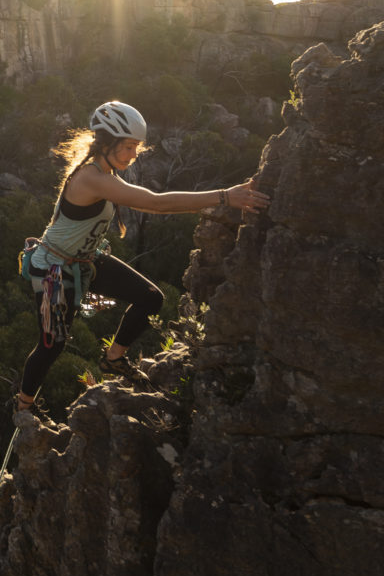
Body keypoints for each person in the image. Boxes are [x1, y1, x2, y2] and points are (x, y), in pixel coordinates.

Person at [15, 100, 269, 409]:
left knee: (151, 297)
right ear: (107, 143)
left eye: (136, 147)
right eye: (128, 147)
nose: (134, 154)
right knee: (52, 345)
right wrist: (225, 197)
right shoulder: (91, 178)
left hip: (85, 261)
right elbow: (157, 204)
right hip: (54, 269)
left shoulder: (103, 171)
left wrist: (230, 193)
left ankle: (113, 359)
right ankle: (24, 405)